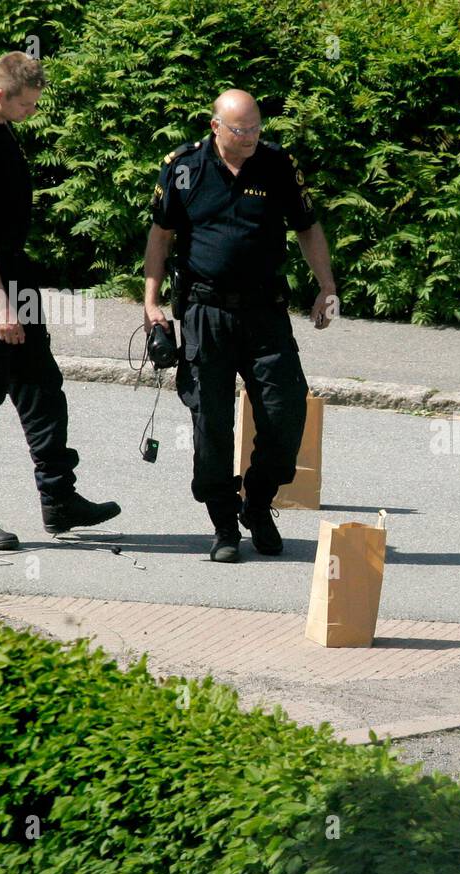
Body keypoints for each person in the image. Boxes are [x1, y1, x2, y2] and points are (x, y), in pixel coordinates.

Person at [143, 89, 338, 562]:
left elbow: (308, 226)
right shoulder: (184, 168)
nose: (250, 137)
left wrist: (326, 286)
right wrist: (151, 304)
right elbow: (160, 236)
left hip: (264, 312)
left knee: (286, 410)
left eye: (255, 128)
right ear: (216, 127)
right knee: (210, 421)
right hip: (205, 313)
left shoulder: (277, 166)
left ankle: (258, 501)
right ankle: (224, 523)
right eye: (239, 130)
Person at [0, 52, 119, 550]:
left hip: (11, 276)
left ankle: (59, 498)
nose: (32, 112)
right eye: (27, 104)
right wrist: (0, 306)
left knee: (40, 384)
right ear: (0, 93)